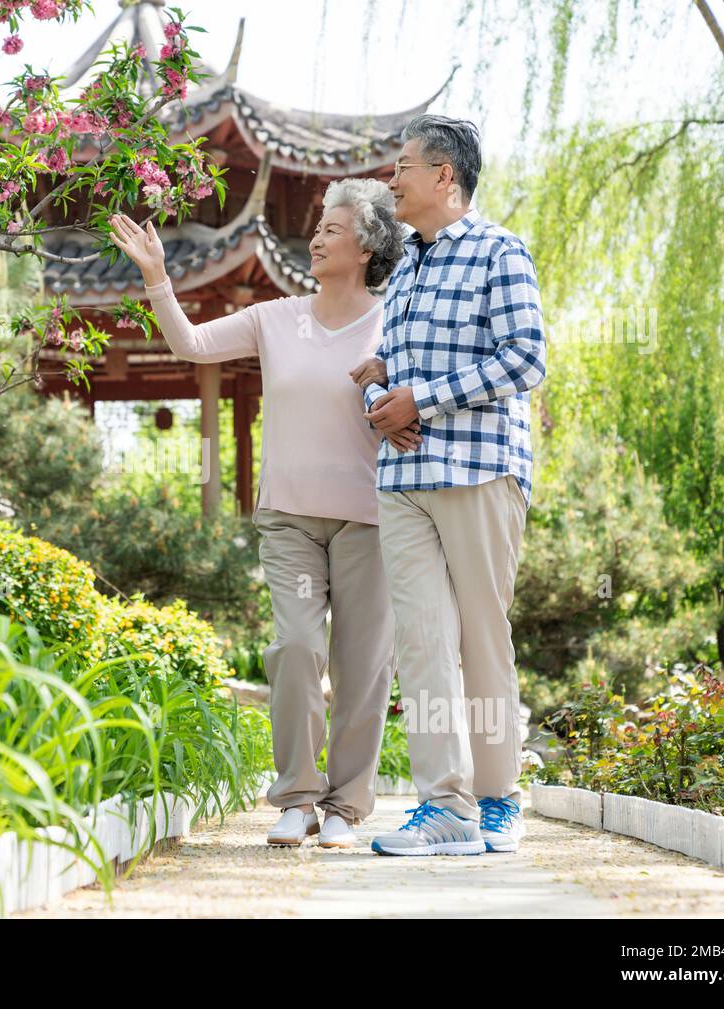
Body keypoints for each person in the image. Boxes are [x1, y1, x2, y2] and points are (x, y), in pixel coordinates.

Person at [109, 178, 408, 849]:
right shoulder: (276, 317)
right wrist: (158, 277)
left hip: (371, 519)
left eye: (331, 228)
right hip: (292, 520)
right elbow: (190, 343)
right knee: (298, 647)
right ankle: (297, 796)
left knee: (363, 667)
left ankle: (344, 807)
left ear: (364, 245)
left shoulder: (397, 319)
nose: (318, 237)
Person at [362, 113, 546, 856]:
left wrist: (424, 399)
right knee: (423, 642)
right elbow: (384, 367)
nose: (391, 179)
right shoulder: (405, 266)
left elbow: (526, 358)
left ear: (444, 176)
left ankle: (499, 797)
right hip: (402, 476)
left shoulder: (501, 252)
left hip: (478, 470)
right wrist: (379, 403)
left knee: (479, 636)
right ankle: (445, 806)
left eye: (402, 166)